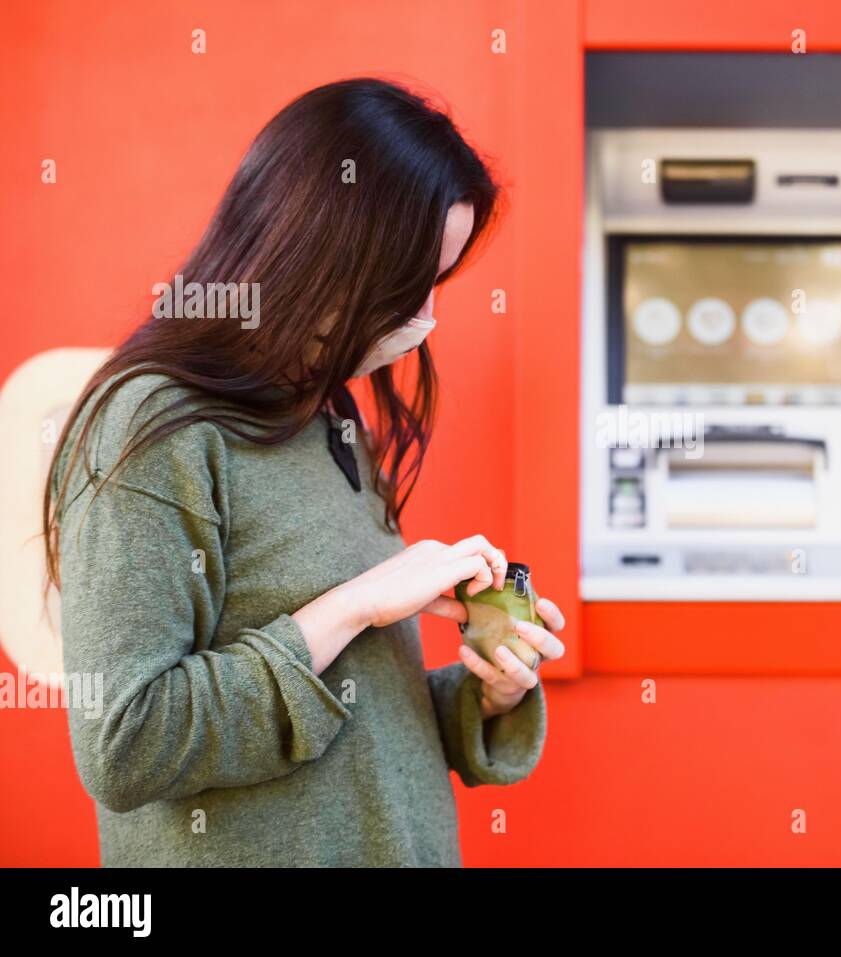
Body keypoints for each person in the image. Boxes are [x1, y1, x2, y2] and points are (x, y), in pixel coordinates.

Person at [42, 77, 565, 866]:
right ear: (318, 250)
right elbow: (127, 743)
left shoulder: (325, 415)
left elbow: (355, 709)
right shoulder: (152, 426)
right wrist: (353, 605)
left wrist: (491, 690)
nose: (425, 315)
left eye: (438, 281)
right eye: (407, 282)